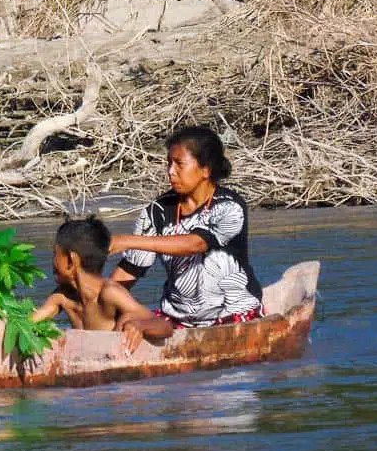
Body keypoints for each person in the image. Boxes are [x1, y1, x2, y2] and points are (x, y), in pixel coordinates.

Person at [109, 125, 265, 327]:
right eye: (168, 164)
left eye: (179, 164)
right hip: (176, 319)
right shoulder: (157, 212)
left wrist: (127, 241)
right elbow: (129, 271)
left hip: (233, 315)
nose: (170, 171)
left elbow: (196, 244)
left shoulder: (229, 206)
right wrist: (102, 303)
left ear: (206, 169)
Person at [32, 217, 174, 352]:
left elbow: (165, 326)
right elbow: (32, 320)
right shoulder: (62, 296)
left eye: (55, 255)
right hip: (86, 360)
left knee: (128, 319)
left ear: (71, 259)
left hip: (116, 365)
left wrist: (139, 326)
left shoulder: (109, 292)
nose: (53, 262)